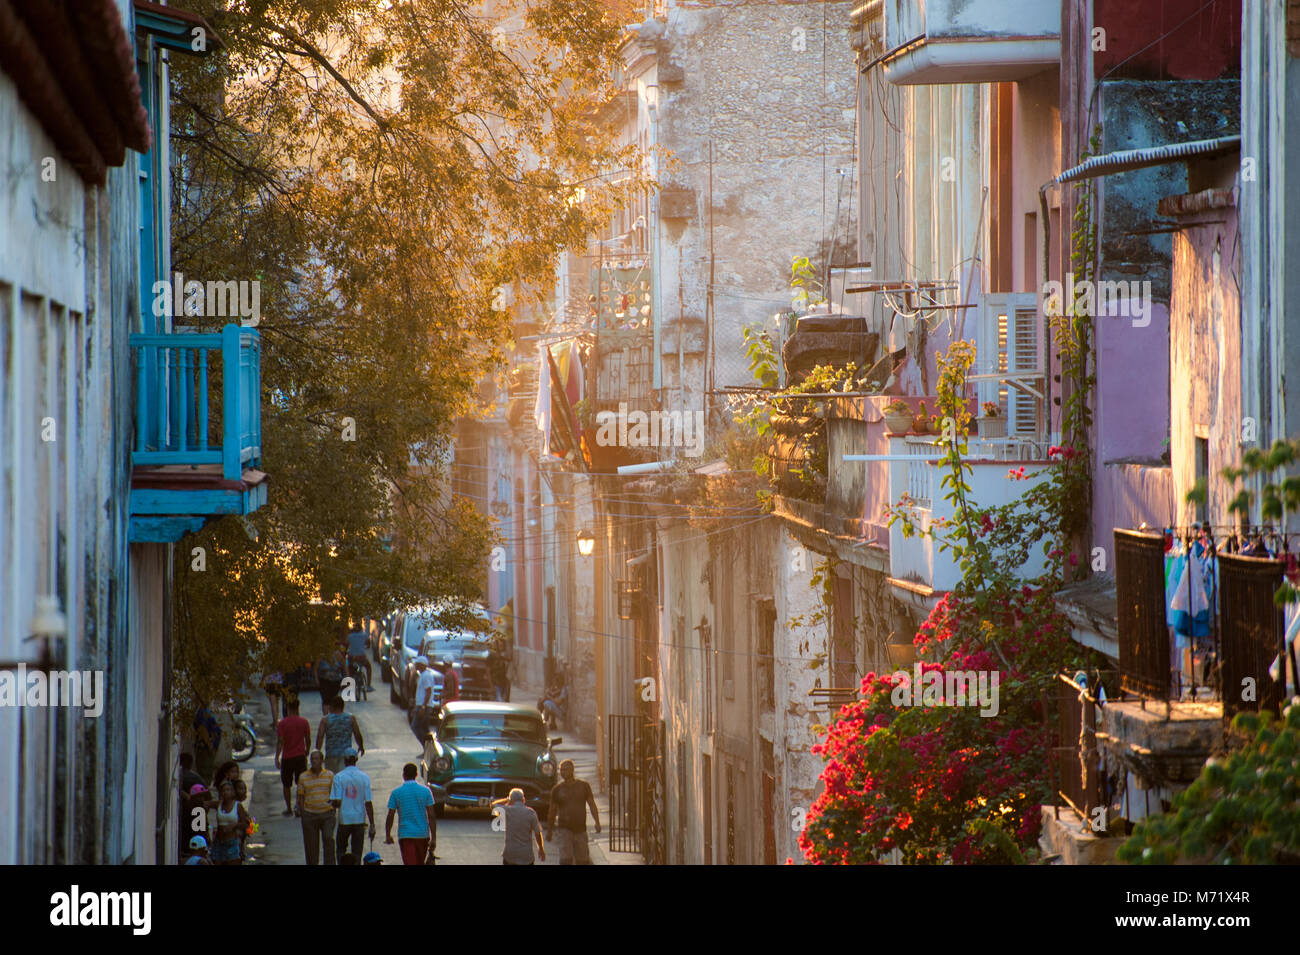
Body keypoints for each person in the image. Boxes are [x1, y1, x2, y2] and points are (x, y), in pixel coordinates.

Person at [547, 759, 601, 865]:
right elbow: (552, 811)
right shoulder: (557, 789)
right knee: (565, 860)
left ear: (572, 770)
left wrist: (597, 822)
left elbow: (592, 804)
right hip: (564, 829)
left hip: (580, 829)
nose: (563, 772)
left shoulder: (583, 786)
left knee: (582, 860)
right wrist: (549, 830)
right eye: (561, 770)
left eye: (566, 770)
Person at [385, 763, 436, 866]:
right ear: (416, 775)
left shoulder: (396, 792)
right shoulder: (426, 791)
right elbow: (431, 815)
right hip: (422, 835)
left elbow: (390, 815)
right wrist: (434, 837)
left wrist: (388, 834)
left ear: (403, 775)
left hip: (406, 835)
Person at [330, 750, 374, 865]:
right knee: (357, 852)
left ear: (344, 760)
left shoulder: (338, 777)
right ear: (356, 760)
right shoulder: (364, 777)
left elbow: (337, 802)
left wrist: (330, 804)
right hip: (359, 819)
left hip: (344, 819)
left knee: (340, 850)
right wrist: (372, 824)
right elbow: (368, 803)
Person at [297, 750, 337, 865]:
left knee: (328, 839)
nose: (314, 761)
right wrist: (303, 813)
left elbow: (333, 794)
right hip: (309, 814)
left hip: (327, 814)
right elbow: (301, 796)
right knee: (311, 846)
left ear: (322, 761)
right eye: (312, 759)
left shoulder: (329, 775)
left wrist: (333, 809)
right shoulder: (303, 776)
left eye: (316, 759)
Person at [275, 698, 311, 816]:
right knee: (300, 783)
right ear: (298, 707)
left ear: (287, 707)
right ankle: (299, 806)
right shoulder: (304, 722)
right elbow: (308, 739)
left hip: (287, 757)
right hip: (300, 756)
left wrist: (277, 757)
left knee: (286, 784)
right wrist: (307, 750)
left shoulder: (282, 723)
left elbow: (280, 741)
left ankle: (288, 808)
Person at [493, 788, 544, 865]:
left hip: (510, 854)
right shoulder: (531, 813)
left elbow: (493, 805)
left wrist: (507, 800)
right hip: (526, 855)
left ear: (510, 801)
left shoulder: (507, 811)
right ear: (523, 800)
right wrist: (541, 848)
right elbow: (537, 833)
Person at [316, 696, 364, 774]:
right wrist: (361, 746)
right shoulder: (351, 718)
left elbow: (320, 736)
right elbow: (357, 734)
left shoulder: (325, 720)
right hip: (346, 756)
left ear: (332, 706)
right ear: (343, 706)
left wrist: (317, 751)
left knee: (332, 779)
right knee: (345, 778)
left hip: (331, 754)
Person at [210, 781, 250, 865]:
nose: (225, 792)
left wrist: (234, 825)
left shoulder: (237, 806)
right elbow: (204, 804)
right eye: (223, 790)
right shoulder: (218, 804)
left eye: (228, 790)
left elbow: (246, 825)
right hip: (218, 842)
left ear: (232, 792)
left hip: (231, 842)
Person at [411, 657, 442, 744]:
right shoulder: (423, 675)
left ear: (422, 665)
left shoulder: (426, 676)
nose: (415, 666)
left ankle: (426, 747)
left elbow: (428, 692)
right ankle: (427, 748)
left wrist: (423, 707)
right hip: (421, 706)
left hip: (424, 706)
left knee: (417, 727)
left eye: (417, 664)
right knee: (424, 728)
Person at [193, 704, 222, 782]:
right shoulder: (201, 712)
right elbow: (202, 729)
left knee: (208, 767)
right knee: (205, 769)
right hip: (205, 746)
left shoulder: (205, 710)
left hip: (210, 745)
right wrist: (209, 745)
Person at [316, 649, 345, 714]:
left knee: (333, 700)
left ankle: (332, 717)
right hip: (324, 680)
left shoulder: (338, 654)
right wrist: (317, 680)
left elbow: (344, 666)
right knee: (325, 700)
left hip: (336, 681)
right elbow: (315, 668)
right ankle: (326, 717)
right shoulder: (322, 655)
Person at [345, 626, 374, 691]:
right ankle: (368, 685)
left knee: (348, 668)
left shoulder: (349, 636)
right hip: (361, 657)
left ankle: (348, 683)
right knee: (368, 667)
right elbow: (368, 643)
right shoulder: (364, 635)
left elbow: (346, 645)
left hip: (352, 657)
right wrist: (366, 647)